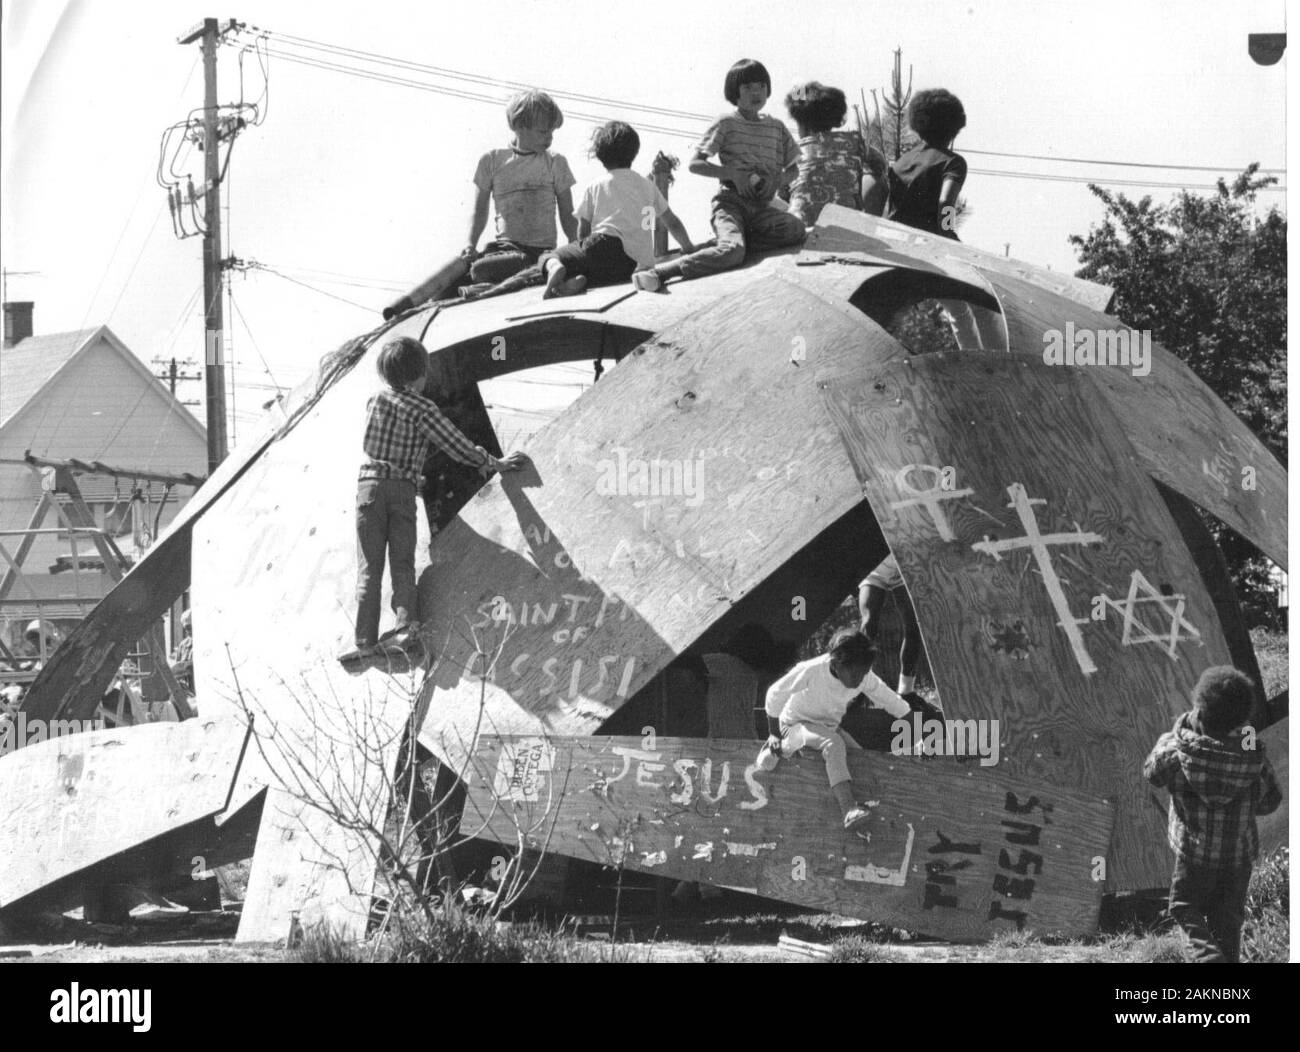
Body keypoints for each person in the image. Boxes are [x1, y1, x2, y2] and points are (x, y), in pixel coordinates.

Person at [348, 337, 527, 659]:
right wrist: (494, 463)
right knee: (402, 563)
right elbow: (456, 445)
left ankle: (364, 642)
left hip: (369, 489)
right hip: (401, 492)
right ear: (419, 375)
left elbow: (371, 446)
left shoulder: (374, 401)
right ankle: (405, 629)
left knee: (369, 568)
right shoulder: (422, 408)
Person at [1143, 666, 1282, 963]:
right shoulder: (1253, 757)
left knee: (1183, 906)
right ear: (1242, 717)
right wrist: (1244, 805)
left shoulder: (1176, 752)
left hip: (1195, 856)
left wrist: (1181, 728)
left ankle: (1206, 957)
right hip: (1238, 856)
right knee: (1228, 920)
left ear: (1200, 710)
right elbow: (1271, 801)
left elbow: (1151, 774)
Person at [632, 59, 805, 291]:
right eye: (747, 87)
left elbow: (794, 169)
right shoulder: (726, 123)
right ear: (734, 92)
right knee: (734, 252)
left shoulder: (777, 127)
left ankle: (723, 246)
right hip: (731, 203)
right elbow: (695, 164)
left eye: (761, 86)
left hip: (762, 208)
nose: (756, 92)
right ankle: (663, 272)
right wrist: (733, 174)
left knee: (795, 229)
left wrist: (777, 180)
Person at [757, 628, 911, 832]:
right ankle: (848, 809)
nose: (859, 679)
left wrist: (917, 724)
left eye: (864, 673)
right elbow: (775, 694)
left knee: (861, 756)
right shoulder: (811, 670)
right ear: (837, 664)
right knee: (833, 743)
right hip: (794, 724)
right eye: (855, 673)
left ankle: (866, 805)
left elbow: (890, 700)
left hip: (828, 726)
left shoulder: (863, 675)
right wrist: (774, 733)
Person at [539, 121, 695, 298]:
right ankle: (572, 284)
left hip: (603, 246)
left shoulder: (596, 186)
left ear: (600, 155)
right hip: (633, 266)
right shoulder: (648, 186)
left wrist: (582, 252)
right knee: (603, 274)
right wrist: (688, 247)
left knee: (548, 256)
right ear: (634, 152)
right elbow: (672, 222)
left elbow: (583, 229)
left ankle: (559, 270)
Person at [464, 90, 578, 285]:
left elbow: (567, 213)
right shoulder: (492, 161)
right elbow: (480, 210)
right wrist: (470, 245)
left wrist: (574, 244)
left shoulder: (555, 162)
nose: (549, 138)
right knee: (472, 270)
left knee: (486, 269)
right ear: (519, 126)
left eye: (552, 132)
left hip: (542, 251)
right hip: (505, 249)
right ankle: (531, 274)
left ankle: (535, 271)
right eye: (543, 131)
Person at [863, 88, 967, 240]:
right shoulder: (953, 162)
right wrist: (948, 233)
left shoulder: (901, 162)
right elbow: (946, 202)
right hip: (927, 244)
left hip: (895, 240)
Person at [782, 81, 873, 226]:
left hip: (802, 228)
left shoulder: (793, 151)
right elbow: (879, 165)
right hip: (848, 226)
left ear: (802, 123)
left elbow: (783, 194)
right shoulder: (854, 142)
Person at [858, 554, 923, 695]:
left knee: (913, 625)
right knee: (869, 622)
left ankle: (906, 691)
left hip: (904, 566)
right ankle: (857, 684)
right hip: (877, 568)